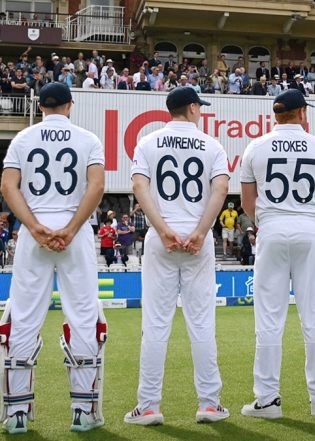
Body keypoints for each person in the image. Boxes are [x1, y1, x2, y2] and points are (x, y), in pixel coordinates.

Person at [0, 82, 106, 433]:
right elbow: (96, 186)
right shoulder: (88, 139)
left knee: (23, 316)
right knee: (83, 315)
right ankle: (83, 410)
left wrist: (33, 227)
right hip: (75, 230)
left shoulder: (22, 138)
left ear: (41, 106)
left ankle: (16, 413)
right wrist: (72, 228)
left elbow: (8, 186)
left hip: (35, 229)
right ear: (69, 105)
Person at [125, 87, 230, 425]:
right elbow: (221, 189)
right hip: (199, 239)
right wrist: (201, 231)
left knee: (155, 324)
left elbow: (139, 187)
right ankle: (210, 404)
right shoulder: (212, 145)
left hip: (162, 238)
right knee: (202, 323)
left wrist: (162, 229)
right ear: (193, 108)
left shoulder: (147, 142)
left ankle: (148, 405)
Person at [239, 89, 315, 418]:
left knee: (269, 318)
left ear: (275, 115)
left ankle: (267, 400)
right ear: (302, 113)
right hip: (308, 228)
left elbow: (247, 202)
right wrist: (308, 219)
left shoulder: (256, 146)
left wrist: (268, 221)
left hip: (271, 228)